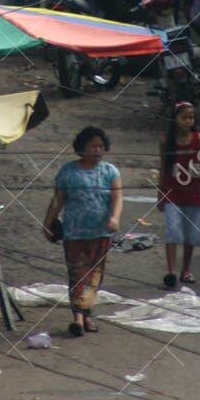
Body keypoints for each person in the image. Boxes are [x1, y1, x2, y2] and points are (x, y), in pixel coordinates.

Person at [43, 127, 122, 337]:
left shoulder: (110, 172)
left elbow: (117, 198)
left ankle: (87, 316)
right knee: (77, 275)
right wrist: (47, 223)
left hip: (101, 233)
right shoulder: (68, 173)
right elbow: (57, 200)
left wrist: (114, 218)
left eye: (101, 146)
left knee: (95, 276)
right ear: (81, 148)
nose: (97, 150)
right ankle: (77, 319)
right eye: (93, 146)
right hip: (74, 233)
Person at [157, 102, 200, 291]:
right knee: (173, 230)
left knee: (191, 235)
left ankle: (185, 269)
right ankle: (171, 270)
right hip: (173, 193)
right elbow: (163, 167)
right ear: (175, 119)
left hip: (193, 193)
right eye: (184, 117)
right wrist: (160, 192)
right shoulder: (166, 141)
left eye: (191, 117)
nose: (188, 121)